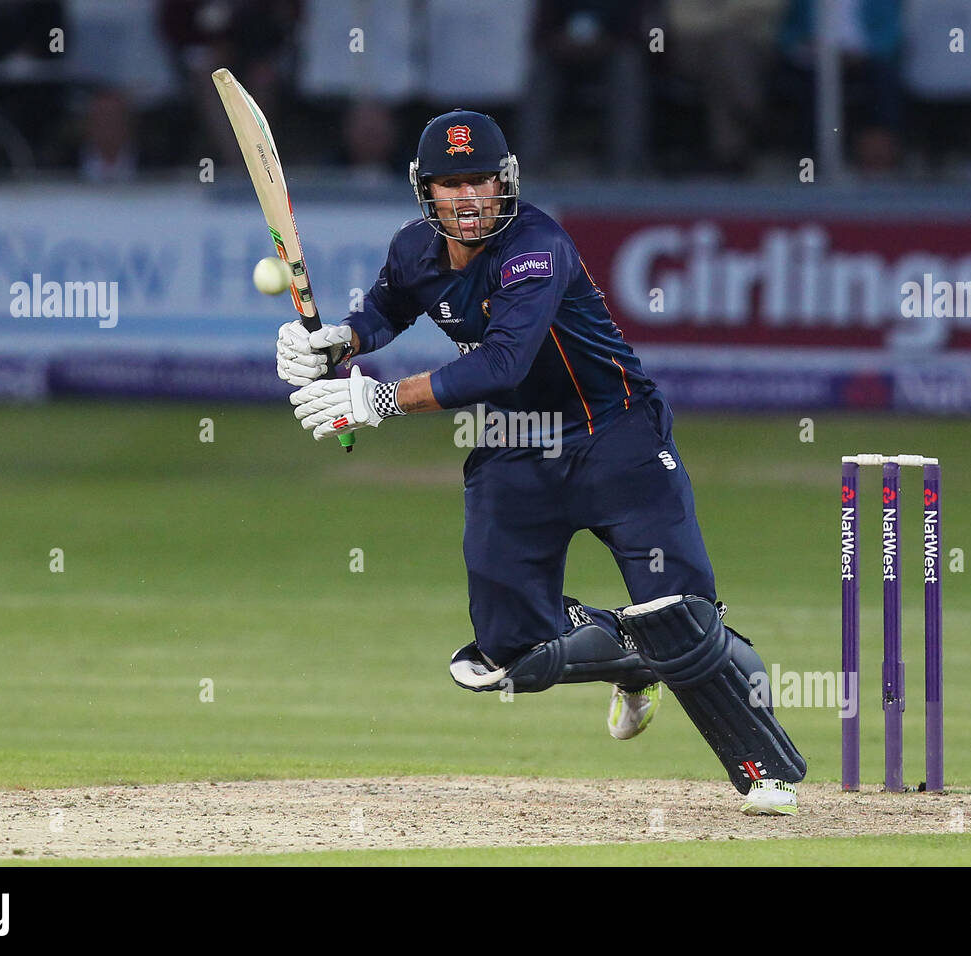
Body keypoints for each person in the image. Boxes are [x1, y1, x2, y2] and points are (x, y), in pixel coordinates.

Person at [276, 110, 806, 815]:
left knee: (679, 613)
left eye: (480, 181)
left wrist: (380, 398)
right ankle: (633, 652)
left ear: (506, 182)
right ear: (423, 191)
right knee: (506, 656)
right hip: (514, 447)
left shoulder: (536, 248)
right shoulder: (415, 250)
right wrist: (337, 342)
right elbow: (386, 309)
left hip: (615, 435)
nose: (467, 198)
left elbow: (500, 362)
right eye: (449, 184)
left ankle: (763, 770)